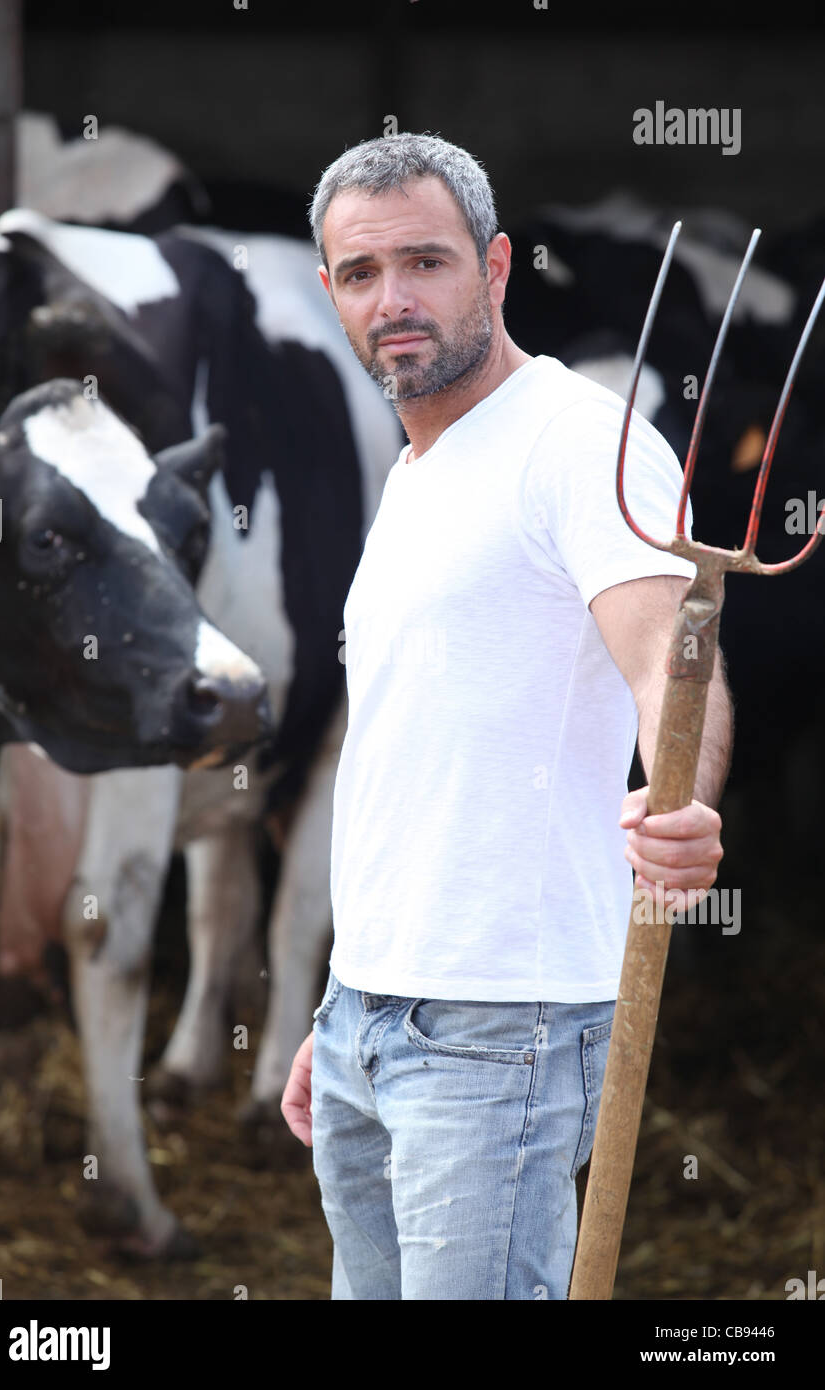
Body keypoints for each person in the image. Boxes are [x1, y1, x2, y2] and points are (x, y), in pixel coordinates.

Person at [281, 133, 731, 1300]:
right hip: (371, 1020)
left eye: (424, 263)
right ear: (327, 290)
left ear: (495, 266)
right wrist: (346, 1007)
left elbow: (674, 664)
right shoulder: (416, 469)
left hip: (502, 1032)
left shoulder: (578, 441)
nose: (396, 301)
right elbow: (414, 761)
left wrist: (679, 801)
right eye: (362, 275)